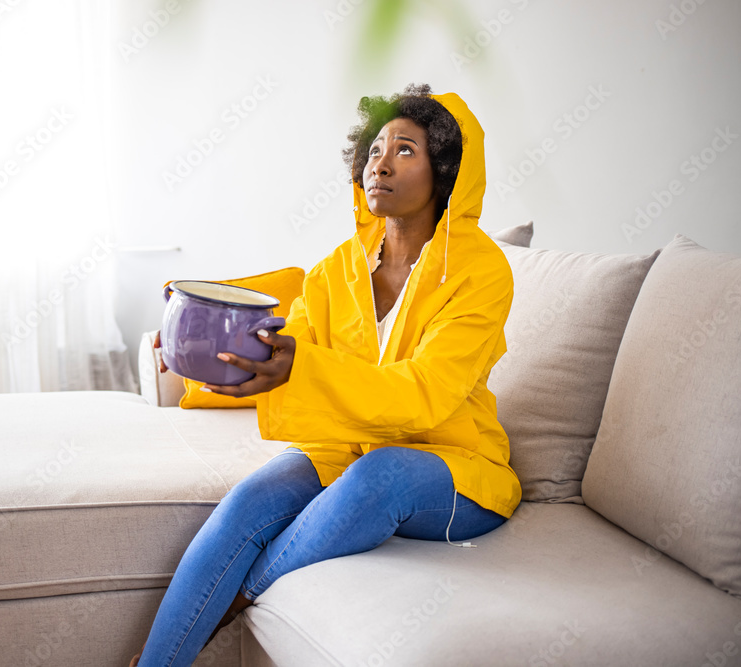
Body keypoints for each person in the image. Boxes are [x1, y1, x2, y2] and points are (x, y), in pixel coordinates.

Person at [132, 84, 521, 666]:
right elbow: (290, 351)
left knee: (380, 474)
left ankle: (241, 597)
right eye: (374, 150)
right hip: (351, 449)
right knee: (249, 502)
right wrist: (207, 355)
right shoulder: (335, 268)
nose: (381, 164)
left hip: (454, 471)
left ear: (446, 171)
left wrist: (299, 365)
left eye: (406, 150)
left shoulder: (483, 271)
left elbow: (424, 395)